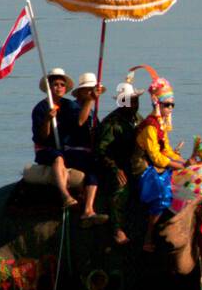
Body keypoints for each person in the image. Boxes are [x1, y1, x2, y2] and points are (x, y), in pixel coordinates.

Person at [31, 67, 107, 225]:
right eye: (55, 84)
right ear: (49, 87)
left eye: (62, 85)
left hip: (62, 148)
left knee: (94, 168)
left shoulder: (68, 106)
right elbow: (42, 137)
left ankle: (88, 210)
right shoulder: (40, 108)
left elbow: (80, 120)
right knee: (58, 158)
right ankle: (65, 195)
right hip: (47, 149)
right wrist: (47, 120)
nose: (59, 87)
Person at [135, 76, 186, 251]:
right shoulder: (150, 126)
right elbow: (156, 157)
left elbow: (167, 150)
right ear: (158, 104)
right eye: (166, 105)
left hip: (159, 165)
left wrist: (184, 161)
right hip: (144, 168)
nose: (170, 108)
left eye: (172, 105)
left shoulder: (161, 124)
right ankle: (148, 237)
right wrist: (177, 165)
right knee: (162, 195)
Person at [96, 81, 146, 245]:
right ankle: (117, 229)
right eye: (130, 100)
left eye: (135, 100)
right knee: (121, 190)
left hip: (137, 163)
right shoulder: (111, 123)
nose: (134, 104)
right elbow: (101, 151)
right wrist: (115, 169)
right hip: (116, 164)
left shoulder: (139, 119)